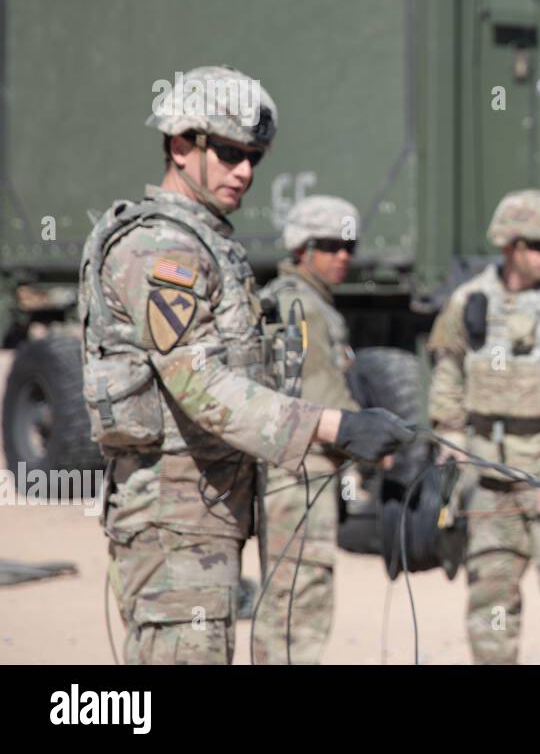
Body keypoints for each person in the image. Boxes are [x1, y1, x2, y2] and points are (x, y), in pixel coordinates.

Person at [79, 65, 412, 664]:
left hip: (206, 515)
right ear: (181, 146)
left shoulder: (209, 243)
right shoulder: (162, 249)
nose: (246, 172)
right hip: (172, 521)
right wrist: (333, 426)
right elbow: (198, 383)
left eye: (254, 156)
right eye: (230, 152)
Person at [427, 190, 540, 664]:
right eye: (536, 244)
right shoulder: (469, 302)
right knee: (490, 616)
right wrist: (451, 442)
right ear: (508, 245)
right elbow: (447, 369)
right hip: (490, 487)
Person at [253, 194, 364, 664]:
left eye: (349, 247)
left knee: (286, 598)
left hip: (294, 472)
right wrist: (375, 438)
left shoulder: (297, 298)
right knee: (300, 602)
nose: (343, 256)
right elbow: (324, 403)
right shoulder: (305, 307)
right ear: (302, 248)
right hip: (300, 474)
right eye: (330, 245)